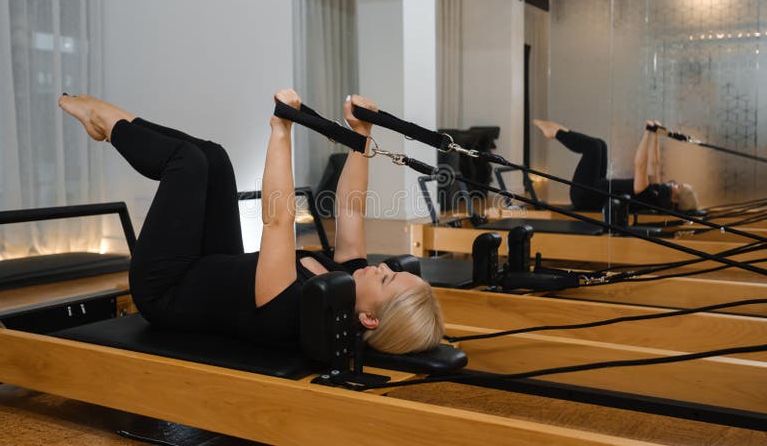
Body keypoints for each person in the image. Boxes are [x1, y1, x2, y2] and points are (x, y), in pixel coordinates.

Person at [58, 90, 444, 354]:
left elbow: (277, 220)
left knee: (187, 163)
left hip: (167, 289)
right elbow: (352, 209)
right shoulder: (346, 283)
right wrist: (362, 135)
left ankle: (107, 121)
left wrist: (281, 131)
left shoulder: (295, 313)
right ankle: (114, 121)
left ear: (370, 318)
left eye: (386, 279)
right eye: (392, 270)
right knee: (214, 158)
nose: (381, 267)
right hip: (212, 263)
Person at [533, 119, 699, 212]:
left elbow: (640, 165)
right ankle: (562, 132)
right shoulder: (655, 194)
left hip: (584, 196)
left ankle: (557, 132)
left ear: (674, 199)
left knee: (593, 147)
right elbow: (654, 164)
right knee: (601, 145)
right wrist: (656, 135)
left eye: (679, 187)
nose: (674, 183)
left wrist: (647, 134)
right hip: (595, 187)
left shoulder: (648, 198)